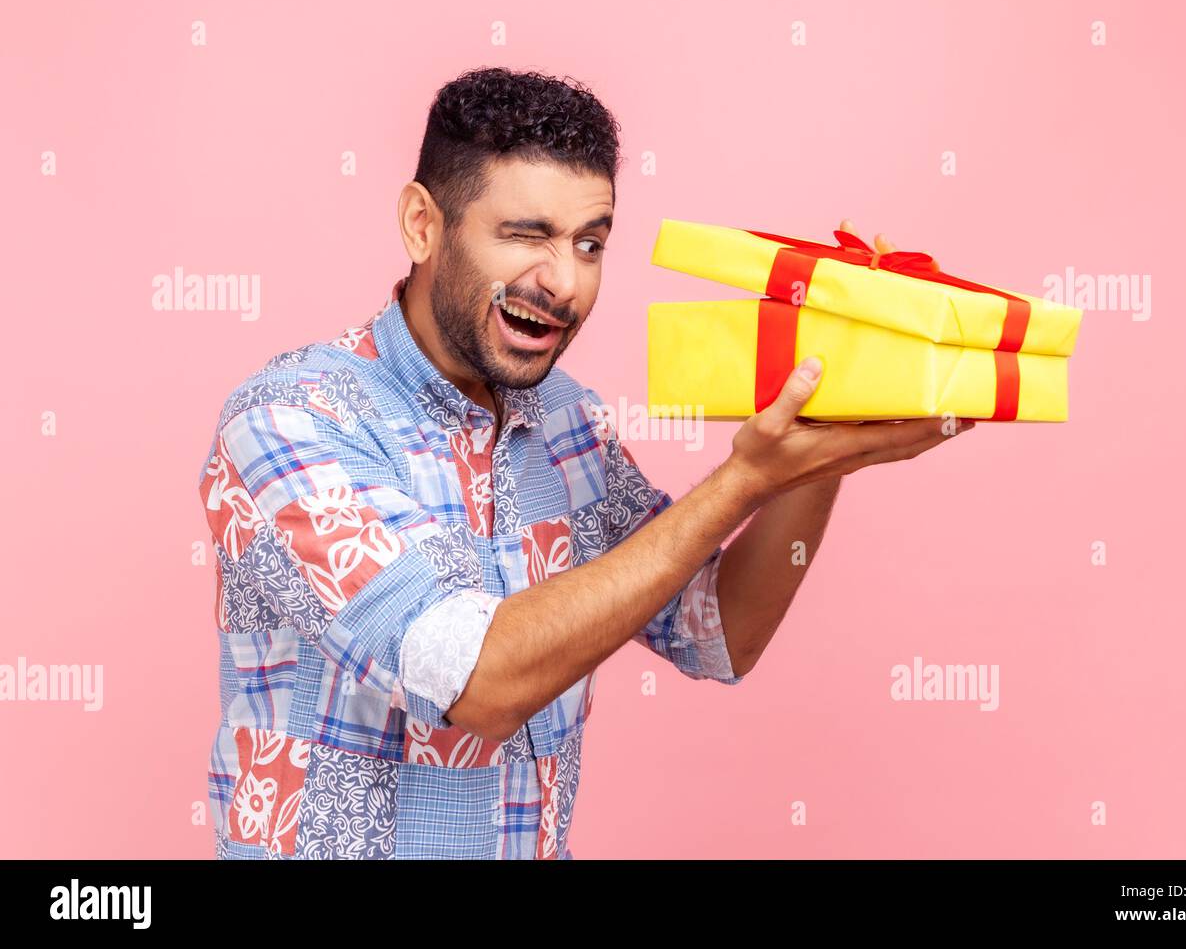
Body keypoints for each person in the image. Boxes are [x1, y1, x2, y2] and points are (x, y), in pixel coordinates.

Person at [197, 65, 972, 860]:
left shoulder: (568, 422)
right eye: (525, 236)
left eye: (589, 242)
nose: (564, 282)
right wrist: (745, 479)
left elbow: (720, 629)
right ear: (424, 225)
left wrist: (824, 434)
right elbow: (476, 684)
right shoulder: (291, 420)